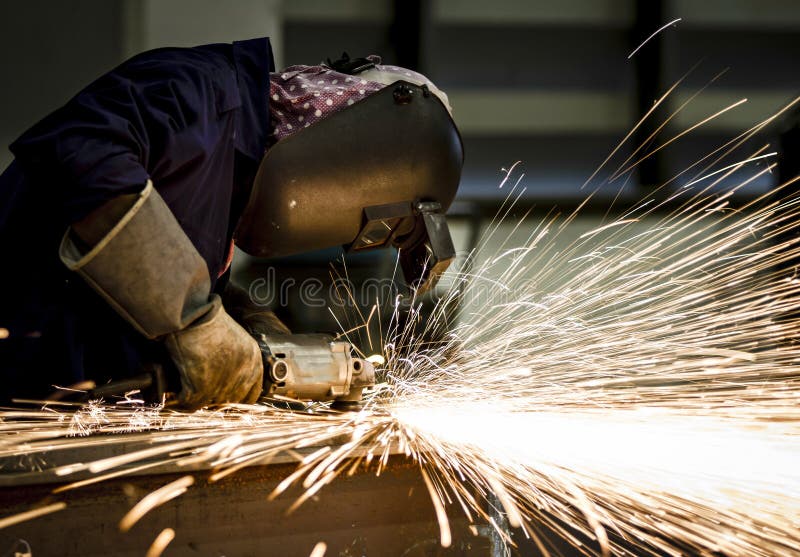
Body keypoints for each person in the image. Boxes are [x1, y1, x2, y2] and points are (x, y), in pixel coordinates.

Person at [0, 37, 461, 407]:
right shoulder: (197, 91)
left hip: (57, 406)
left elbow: (136, 279)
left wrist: (240, 318)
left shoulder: (230, 182)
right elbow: (82, 151)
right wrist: (191, 319)